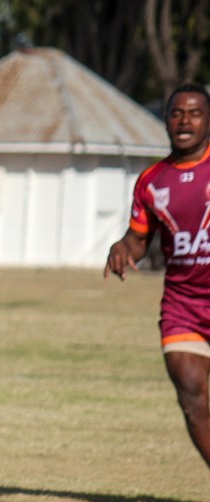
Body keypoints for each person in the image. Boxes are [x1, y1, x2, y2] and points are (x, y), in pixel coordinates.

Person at [105, 83, 210, 468]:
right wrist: (121, 248)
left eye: (195, 112)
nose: (185, 120)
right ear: (166, 121)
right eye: (176, 112)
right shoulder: (151, 181)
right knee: (191, 398)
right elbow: (138, 240)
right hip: (183, 306)